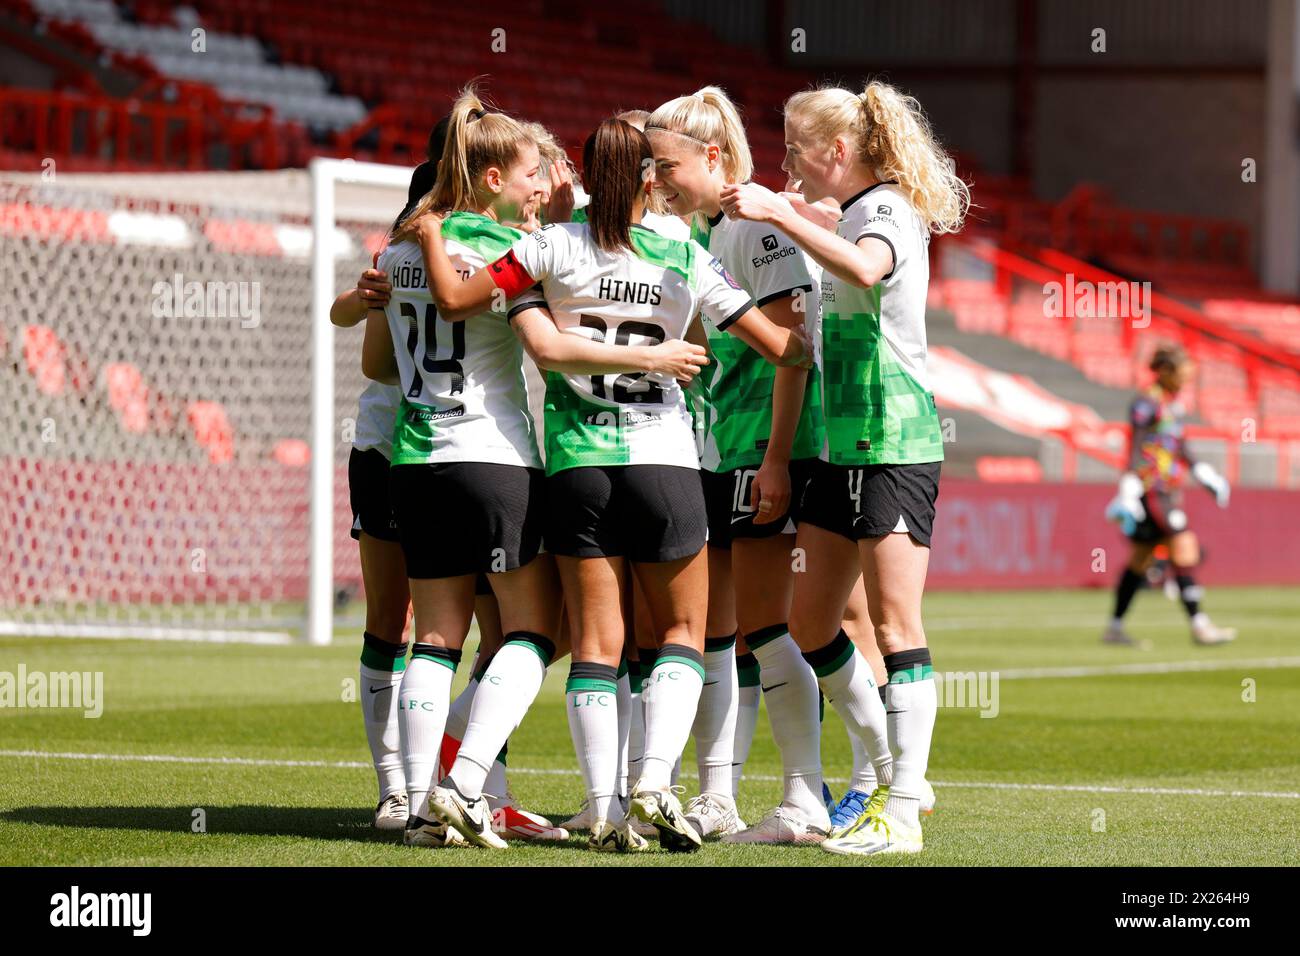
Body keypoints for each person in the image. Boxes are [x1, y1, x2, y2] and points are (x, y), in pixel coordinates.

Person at [415, 118, 808, 852]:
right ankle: (654, 785)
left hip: (577, 468)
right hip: (665, 462)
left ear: (586, 175)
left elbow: (460, 300)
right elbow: (782, 346)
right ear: (652, 180)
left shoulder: (546, 246)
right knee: (684, 636)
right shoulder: (684, 255)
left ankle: (600, 806)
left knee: (597, 642)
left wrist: (432, 235)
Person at [363, 88, 706, 851]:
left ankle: (421, 806)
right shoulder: (498, 251)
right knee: (534, 629)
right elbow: (497, 308)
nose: (539, 185)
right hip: (495, 457)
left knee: (437, 639)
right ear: (490, 179)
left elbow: (376, 361)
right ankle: (466, 784)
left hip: (413, 458)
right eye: (528, 173)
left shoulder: (398, 246)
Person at [722, 79, 967, 856]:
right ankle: (897, 772)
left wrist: (783, 213)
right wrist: (809, 219)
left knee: (895, 625)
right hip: (836, 445)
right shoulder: (855, 211)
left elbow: (867, 269)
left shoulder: (886, 209)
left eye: (797, 146)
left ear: (838, 150)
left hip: (892, 441)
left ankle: (899, 813)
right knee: (811, 623)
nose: (788, 161)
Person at [1104, 345, 1235, 646]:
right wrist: (1128, 484)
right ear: (1164, 371)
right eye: (1181, 374)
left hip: (1166, 489)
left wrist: (1203, 472)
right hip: (1153, 490)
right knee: (1184, 547)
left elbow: (1178, 444)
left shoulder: (1170, 404)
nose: (1185, 381)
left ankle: (1114, 627)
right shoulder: (1146, 403)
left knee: (1141, 558)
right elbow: (1136, 444)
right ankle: (1200, 625)